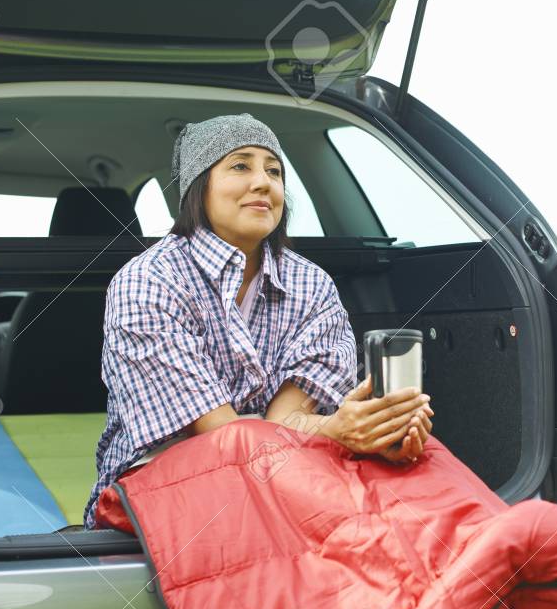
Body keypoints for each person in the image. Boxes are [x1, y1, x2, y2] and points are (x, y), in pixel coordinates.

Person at [82, 113, 433, 529]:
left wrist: (373, 430)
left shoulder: (311, 284)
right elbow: (220, 439)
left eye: (274, 170)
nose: (264, 182)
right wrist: (334, 432)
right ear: (199, 188)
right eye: (240, 166)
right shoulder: (149, 281)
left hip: (283, 469)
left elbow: (287, 421)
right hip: (163, 485)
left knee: (422, 468)